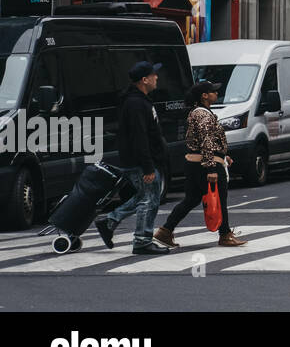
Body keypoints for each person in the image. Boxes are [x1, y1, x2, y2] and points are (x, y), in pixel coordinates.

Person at [154, 80, 245, 249]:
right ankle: (225, 235)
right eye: (213, 91)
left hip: (194, 163)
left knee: (191, 199)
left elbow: (206, 141)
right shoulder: (203, 114)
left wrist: (224, 156)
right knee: (219, 199)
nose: (216, 94)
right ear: (204, 96)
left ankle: (165, 231)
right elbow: (206, 141)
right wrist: (211, 168)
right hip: (205, 165)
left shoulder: (197, 112)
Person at [96, 61, 171, 255]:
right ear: (144, 80)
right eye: (154, 75)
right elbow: (139, 136)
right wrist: (147, 167)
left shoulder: (140, 100)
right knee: (149, 200)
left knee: (144, 196)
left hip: (142, 160)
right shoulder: (136, 103)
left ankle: (109, 221)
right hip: (140, 162)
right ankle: (142, 241)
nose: (157, 78)